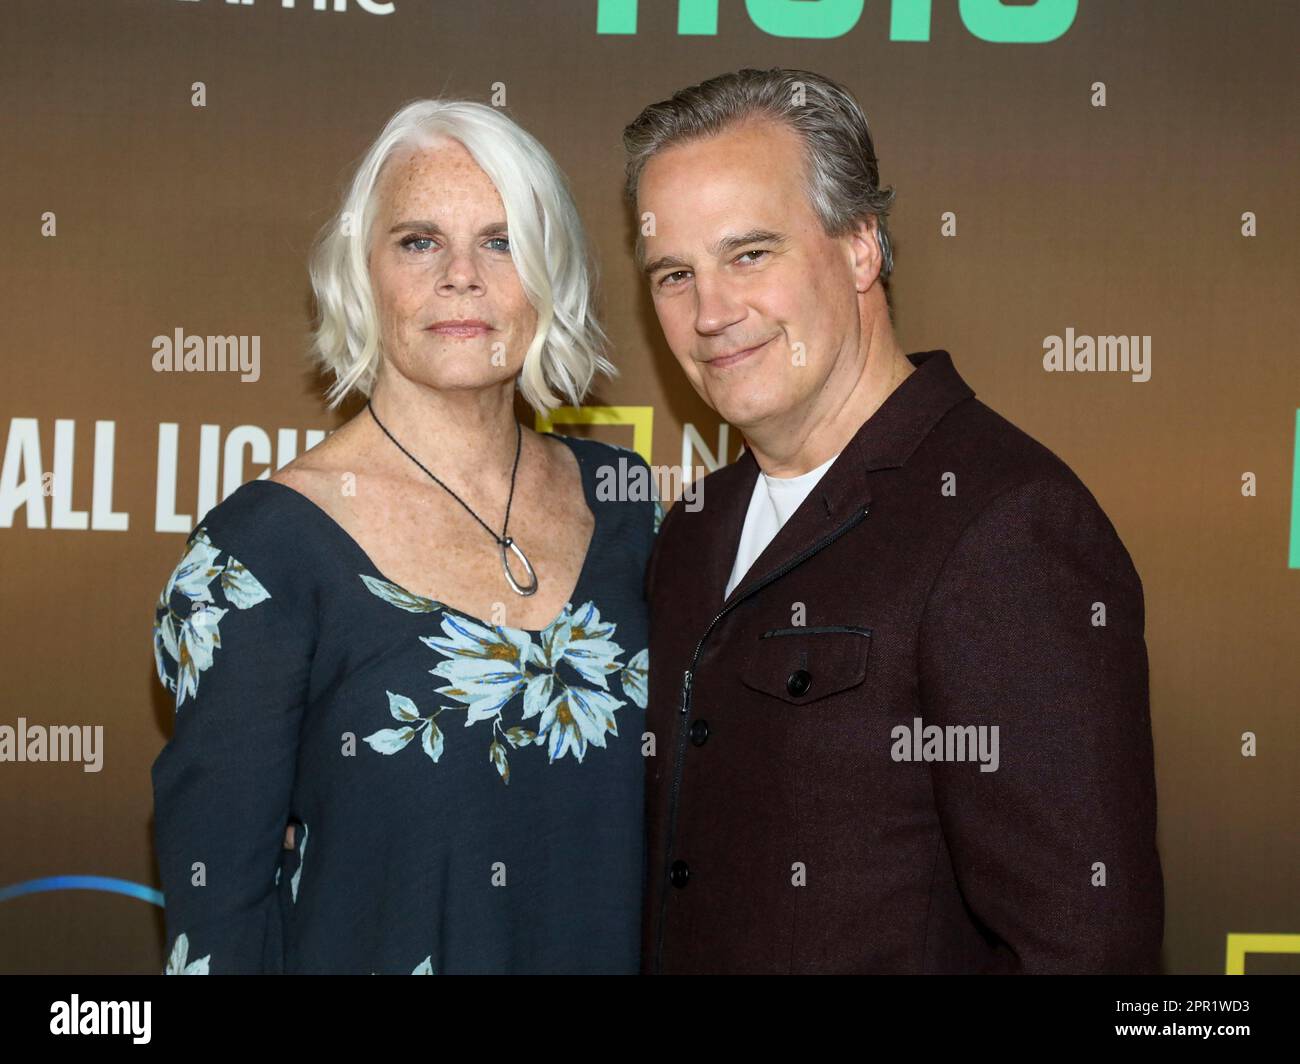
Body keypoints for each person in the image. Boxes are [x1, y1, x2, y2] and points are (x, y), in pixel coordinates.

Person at [624, 68, 1164, 973]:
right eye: (675, 273)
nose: (711, 313)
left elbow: (1088, 948)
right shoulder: (692, 529)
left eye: (750, 253)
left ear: (863, 246)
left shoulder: (1006, 523)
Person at [150, 99, 657, 974]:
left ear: (555, 270)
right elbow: (219, 925)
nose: (462, 276)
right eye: (419, 240)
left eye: (501, 241)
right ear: (360, 272)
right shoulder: (258, 559)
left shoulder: (630, 507)